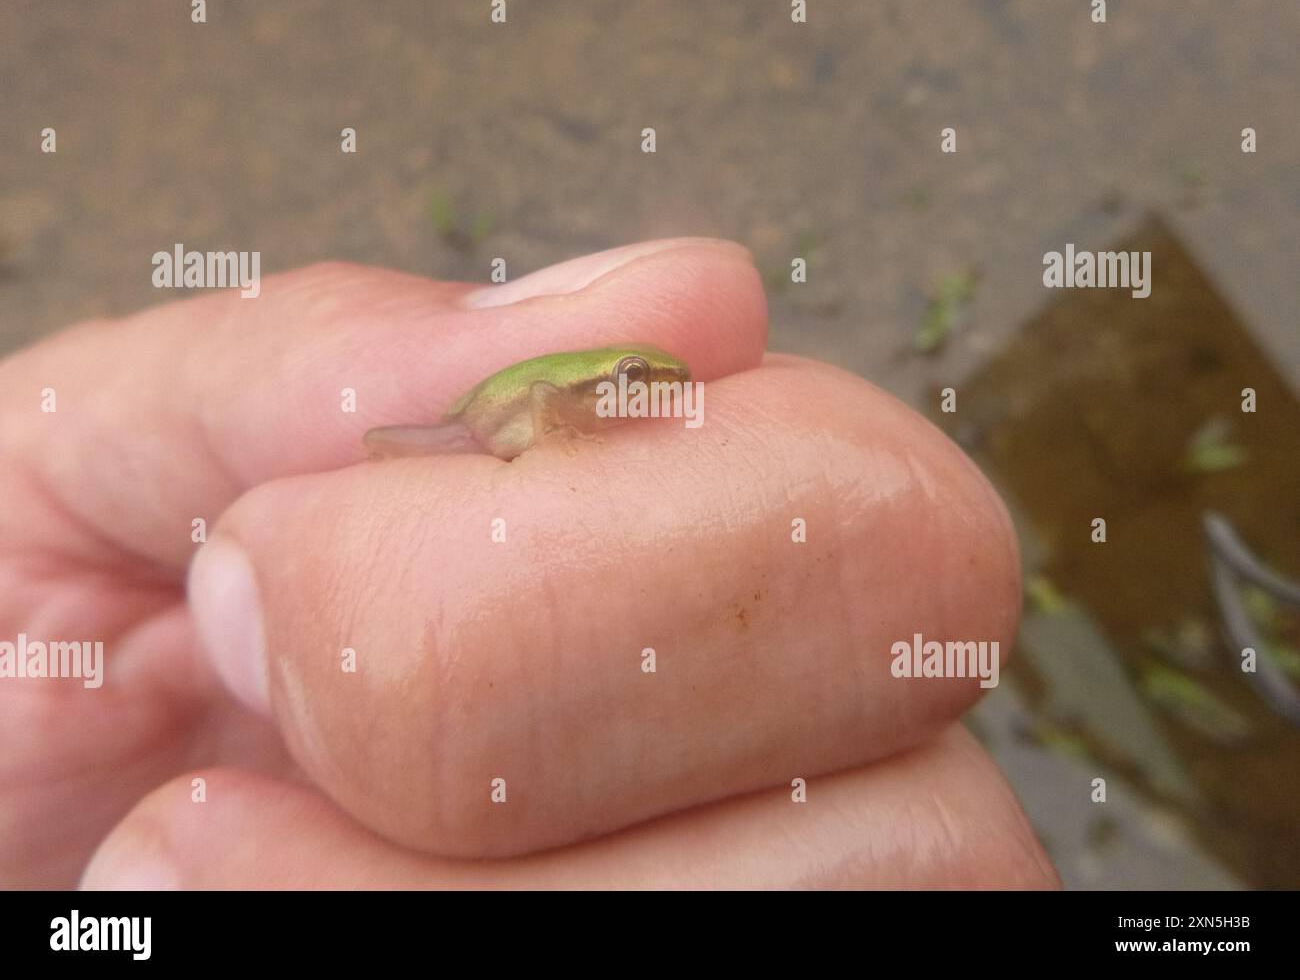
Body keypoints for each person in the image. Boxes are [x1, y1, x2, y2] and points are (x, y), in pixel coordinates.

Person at [0, 238, 1057, 889]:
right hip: (481, 423)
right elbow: (524, 407)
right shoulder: (562, 393)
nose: (646, 390)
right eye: (634, 378)